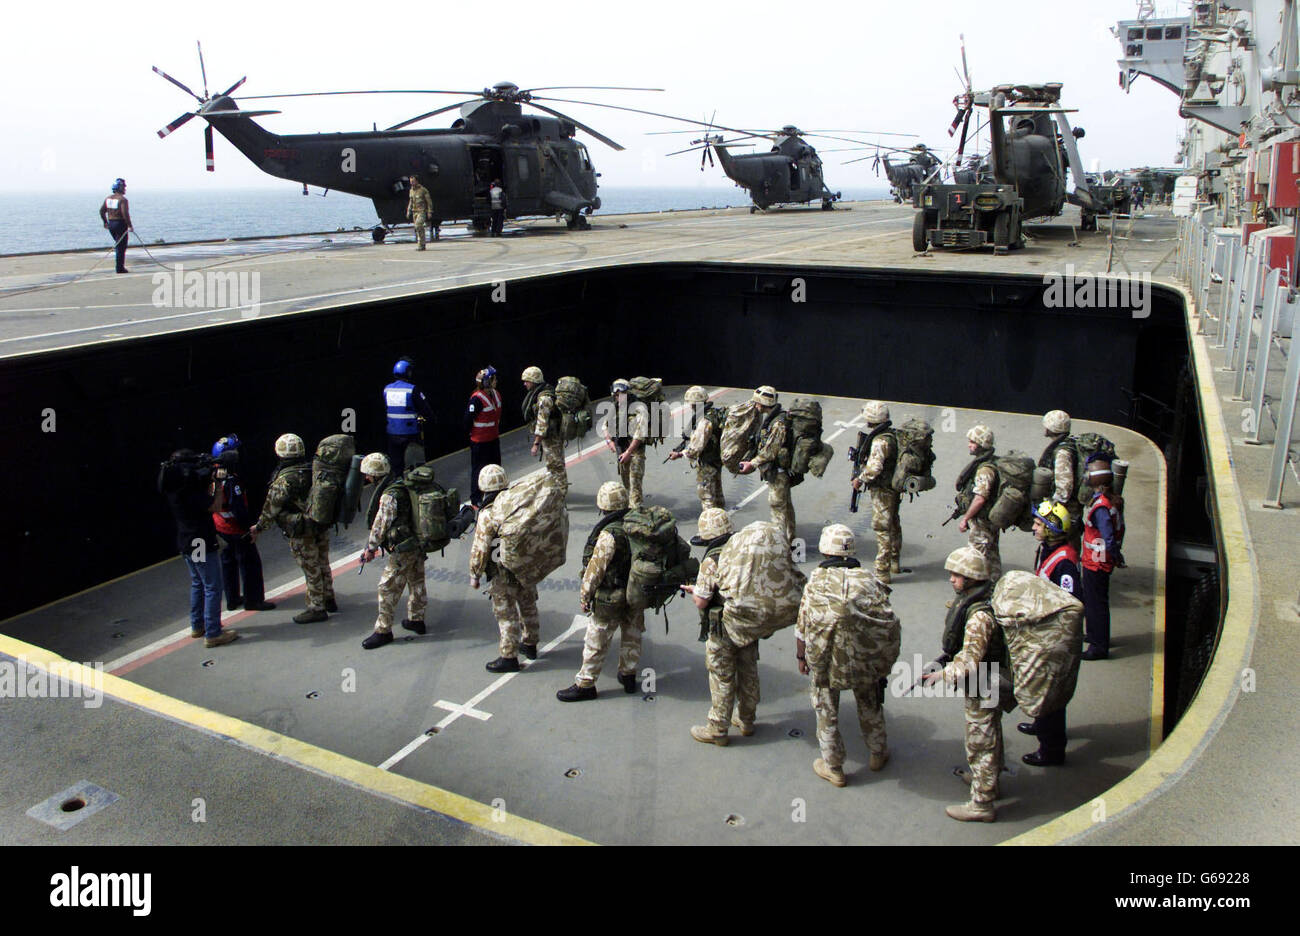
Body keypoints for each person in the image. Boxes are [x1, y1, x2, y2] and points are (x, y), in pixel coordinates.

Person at [796, 524, 899, 787]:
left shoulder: (815, 581)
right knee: (870, 702)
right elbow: (885, 618)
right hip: (863, 657)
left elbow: (803, 627)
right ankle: (878, 752)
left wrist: (801, 658)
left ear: (824, 550)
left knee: (826, 710)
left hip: (825, 659)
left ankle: (834, 767)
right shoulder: (869, 579)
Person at [922, 546, 1005, 822]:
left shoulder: (979, 617)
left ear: (970, 578)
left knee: (980, 740)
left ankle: (982, 804)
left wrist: (939, 676)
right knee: (990, 733)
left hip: (984, 683)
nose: (951, 580)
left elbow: (969, 662)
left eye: (957, 575)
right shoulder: (978, 601)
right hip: (986, 679)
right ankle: (988, 781)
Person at [557, 482, 643, 701]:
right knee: (632, 634)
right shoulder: (638, 524)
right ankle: (628, 674)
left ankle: (586, 683)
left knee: (596, 638)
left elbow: (595, 569)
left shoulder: (609, 535)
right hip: (636, 591)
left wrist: (585, 595)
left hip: (610, 595)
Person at [684, 508, 756, 744]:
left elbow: (702, 601)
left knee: (722, 676)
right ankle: (746, 719)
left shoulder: (711, 559)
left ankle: (718, 729)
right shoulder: (745, 549)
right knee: (748, 671)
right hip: (747, 623)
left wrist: (694, 590)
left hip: (722, 627)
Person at [251, 433, 337, 623]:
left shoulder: (284, 479)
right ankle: (329, 597)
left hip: (299, 529)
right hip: (320, 523)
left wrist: (259, 527)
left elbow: (271, 507)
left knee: (310, 567)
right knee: (323, 561)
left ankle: (316, 607)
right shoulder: (314, 469)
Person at [1019, 499, 1080, 766]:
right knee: (1042, 686)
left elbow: (1069, 604)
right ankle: (1041, 723)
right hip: (1042, 630)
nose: (1034, 527)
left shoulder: (1065, 562)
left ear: (1051, 529)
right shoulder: (1047, 550)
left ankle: (1051, 748)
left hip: (1055, 636)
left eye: (1038, 524)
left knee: (1053, 689)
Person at [158, 449, 238, 648]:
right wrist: (219, 484)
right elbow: (215, 506)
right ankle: (213, 633)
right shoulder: (189, 491)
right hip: (199, 541)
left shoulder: (175, 487)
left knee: (198, 583)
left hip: (187, 540)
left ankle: (198, 625)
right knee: (212, 585)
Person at [469, 465, 540, 672]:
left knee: (506, 614)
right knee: (528, 605)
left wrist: (475, 574)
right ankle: (531, 644)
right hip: (525, 566)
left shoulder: (488, 514)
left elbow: (480, 548)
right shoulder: (520, 503)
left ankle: (509, 657)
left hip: (502, 571)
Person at [358, 453, 428, 649]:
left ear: (374, 475)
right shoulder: (403, 484)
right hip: (416, 543)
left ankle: (383, 630)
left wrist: (370, 549)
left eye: (368, 474)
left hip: (402, 548)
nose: (366, 478)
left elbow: (381, 525)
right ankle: (416, 619)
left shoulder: (389, 495)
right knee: (416, 581)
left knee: (387, 587)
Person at [210, 434, 275, 613]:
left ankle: (232, 599)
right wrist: (250, 529)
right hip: (236, 529)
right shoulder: (232, 480)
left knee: (228, 563)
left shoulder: (213, 474)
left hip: (220, 527)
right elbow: (239, 509)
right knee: (250, 564)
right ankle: (253, 600)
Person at [851, 400, 903, 583]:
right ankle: (895, 561)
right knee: (894, 522)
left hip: (882, 489)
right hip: (894, 487)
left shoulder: (880, 441)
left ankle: (882, 570)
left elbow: (874, 468)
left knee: (882, 528)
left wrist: (860, 479)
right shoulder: (892, 435)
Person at [1081, 453, 1124, 661]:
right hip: (1099, 561)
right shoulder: (1110, 502)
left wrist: (1115, 555)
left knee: (1096, 604)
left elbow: (1107, 535)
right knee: (1095, 602)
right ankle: (1095, 635)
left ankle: (1098, 646)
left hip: (1096, 563)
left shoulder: (1101, 507)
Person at [738, 386, 795, 543]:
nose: (756, 406)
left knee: (778, 509)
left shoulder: (778, 424)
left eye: (758, 403)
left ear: (764, 402)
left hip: (778, 473)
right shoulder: (773, 418)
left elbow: (770, 451)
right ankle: (790, 540)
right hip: (779, 470)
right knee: (786, 507)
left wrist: (752, 463)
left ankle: (780, 545)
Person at [954, 424, 1002, 581]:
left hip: (982, 522)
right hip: (991, 520)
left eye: (973, 442)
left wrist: (966, 518)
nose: (969, 445)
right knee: (992, 556)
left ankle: (973, 596)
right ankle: (994, 588)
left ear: (981, 444)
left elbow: (980, 498)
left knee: (976, 559)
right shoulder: (992, 462)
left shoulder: (984, 470)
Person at [668, 385, 725, 510]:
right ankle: (721, 516)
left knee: (707, 497)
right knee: (717, 492)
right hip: (716, 459)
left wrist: (679, 454)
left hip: (706, 463)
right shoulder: (714, 413)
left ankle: (711, 523)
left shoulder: (704, 421)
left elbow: (695, 448)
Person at [384, 357, 435, 473]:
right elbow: (425, 409)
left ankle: (398, 484)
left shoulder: (386, 389)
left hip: (392, 433)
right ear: (407, 372)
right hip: (411, 433)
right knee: (417, 465)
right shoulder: (412, 389)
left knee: (397, 465)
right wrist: (432, 420)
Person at [522, 366, 566, 488]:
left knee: (556, 466)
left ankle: (561, 494)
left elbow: (542, 423)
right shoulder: (540, 392)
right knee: (554, 465)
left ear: (533, 381)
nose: (525, 384)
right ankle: (557, 491)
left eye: (527, 381)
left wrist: (536, 444)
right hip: (551, 437)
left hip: (552, 438)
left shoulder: (544, 399)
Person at [1039, 410, 1080, 539]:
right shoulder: (1069, 444)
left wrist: (1052, 509)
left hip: (1065, 511)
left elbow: (1064, 487)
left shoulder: (1062, 452)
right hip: (1068, 509)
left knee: (1063, 543)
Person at [467, 366, 503, 507]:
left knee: (496, 467)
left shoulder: (496, 394)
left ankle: (497, 493)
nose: (496, 381)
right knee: (478, 470)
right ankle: (476, 498)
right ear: (488, 381)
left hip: (493, 439)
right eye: (494, 379)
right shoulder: (476, 399)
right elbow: (467, 420)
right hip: (480, 442)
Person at [609, 378, 648, 509]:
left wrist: (628, 452)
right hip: (622, 450)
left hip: (635, 452)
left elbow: (639, 434)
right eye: (616, 394)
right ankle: (629, 510)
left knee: (635, 484)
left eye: (621, 394)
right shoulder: (615, 407)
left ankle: (636, 512)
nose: (618, 397)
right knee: (626, 484)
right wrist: (609, 441)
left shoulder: (639, 409)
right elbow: (605, 426)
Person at [98, 178, 133, 274]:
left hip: (111, 224)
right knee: (121, 246)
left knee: (118, 245)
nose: (125, 188)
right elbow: (125, 213)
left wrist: (105, 222)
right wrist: (129, 225)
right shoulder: (123, 200)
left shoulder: (108, 198)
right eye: (123, 187)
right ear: (119, 188)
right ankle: (120, 268)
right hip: (120, 224)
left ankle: (120, 266)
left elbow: (101, 211)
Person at [407, 175, 433, 250]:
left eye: (413, 181)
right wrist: (408, 210)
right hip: (414, 212)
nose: (411, 183)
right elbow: (411, 201)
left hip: (422, 211)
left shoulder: (423, 190)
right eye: (410, 181)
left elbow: (429, 202)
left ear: (417, 181)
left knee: (418, 225)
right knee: (417, 228)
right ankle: (422, 244)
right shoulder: (411, 191)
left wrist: (429, 212)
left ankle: (420, 245)